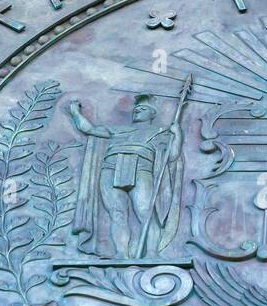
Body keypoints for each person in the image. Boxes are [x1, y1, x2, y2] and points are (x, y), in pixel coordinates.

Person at [68, 93, 182, 258]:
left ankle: (152, 254)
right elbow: (89, 129)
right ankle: (121, 254)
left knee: (145, 211)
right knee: (117, 212)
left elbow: (171, 156)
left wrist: (177, 134)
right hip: (111, 167)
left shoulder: (159, 132)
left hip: (141, 168)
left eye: (142, 109)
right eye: (136, 109)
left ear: (152, 113)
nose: (137, 111)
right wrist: (75, 113)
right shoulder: (117, 129)